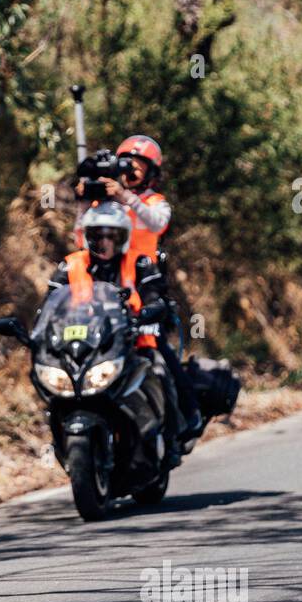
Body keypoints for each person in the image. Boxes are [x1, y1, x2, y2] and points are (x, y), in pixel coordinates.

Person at [72, 135, 203, 439]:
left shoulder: (153, 202)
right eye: (127, 164)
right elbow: (80, 239)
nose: (132, 170)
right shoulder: (102, 204)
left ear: (152, 172)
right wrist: (83, 201)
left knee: (160, 357)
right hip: (104, 286)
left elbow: (157, 223)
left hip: (144, 286)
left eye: (139, 165)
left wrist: (125, 198)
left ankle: (187, 416)